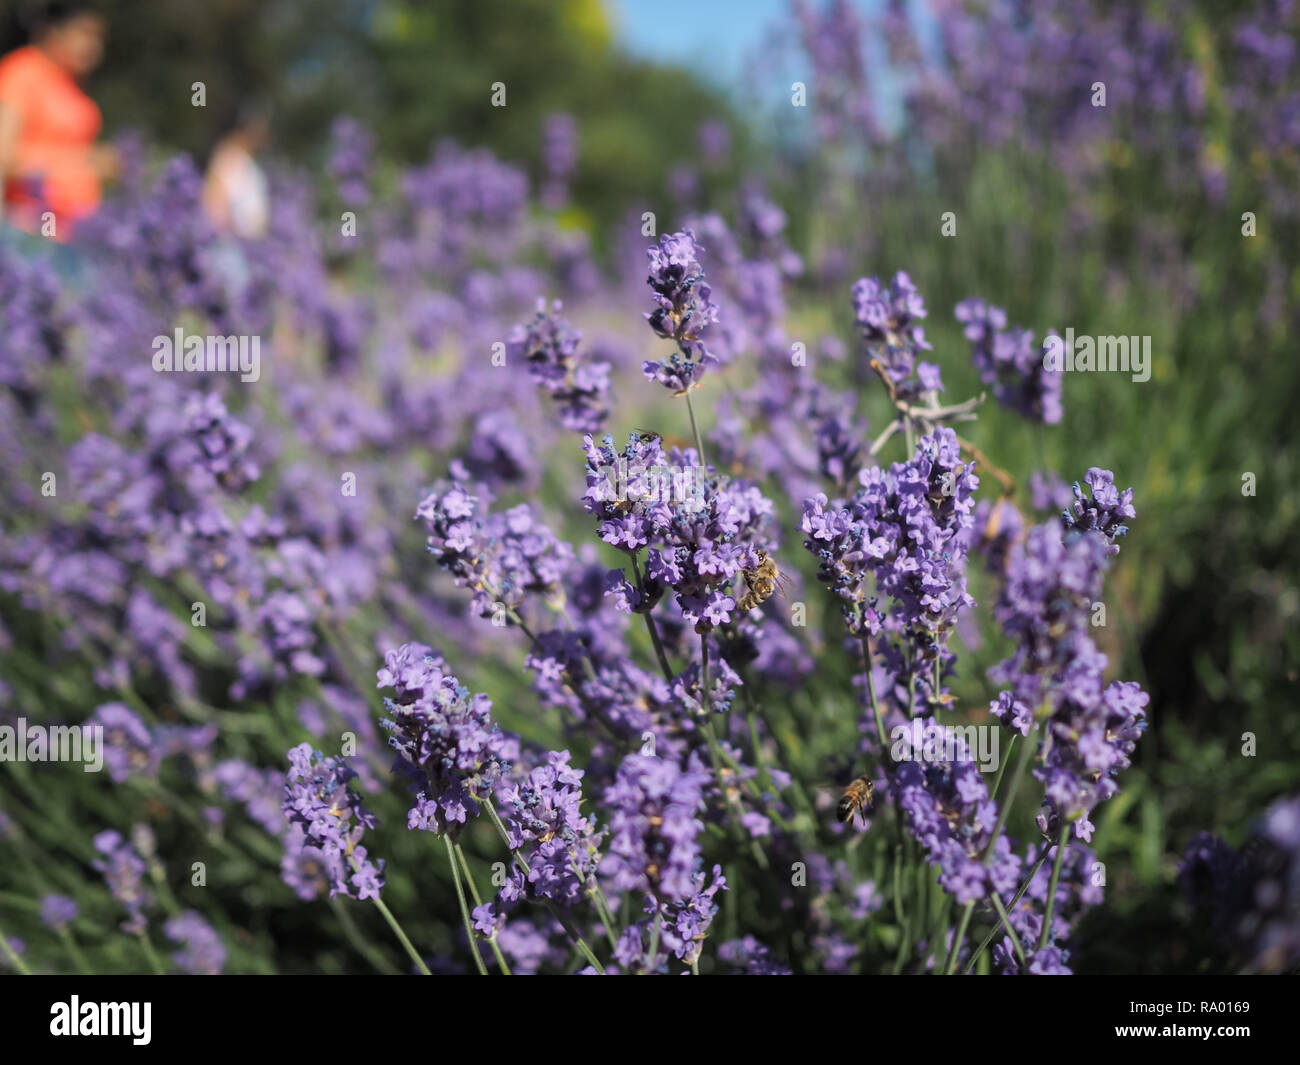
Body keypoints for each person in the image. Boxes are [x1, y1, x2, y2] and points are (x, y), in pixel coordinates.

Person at [0, 2, 116, 240]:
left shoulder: (76, 90)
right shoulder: (23, 72)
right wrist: (85, 162)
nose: (94, 46)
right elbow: (4, 158)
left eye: (98, 38)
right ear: (53, 32)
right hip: (30, 227)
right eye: (84, 34)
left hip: (75, 231)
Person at [202, 106, 270, 240]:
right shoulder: (229, 157)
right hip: (229, 243)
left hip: (250, 246)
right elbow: (214, 200)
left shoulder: (247, 161)